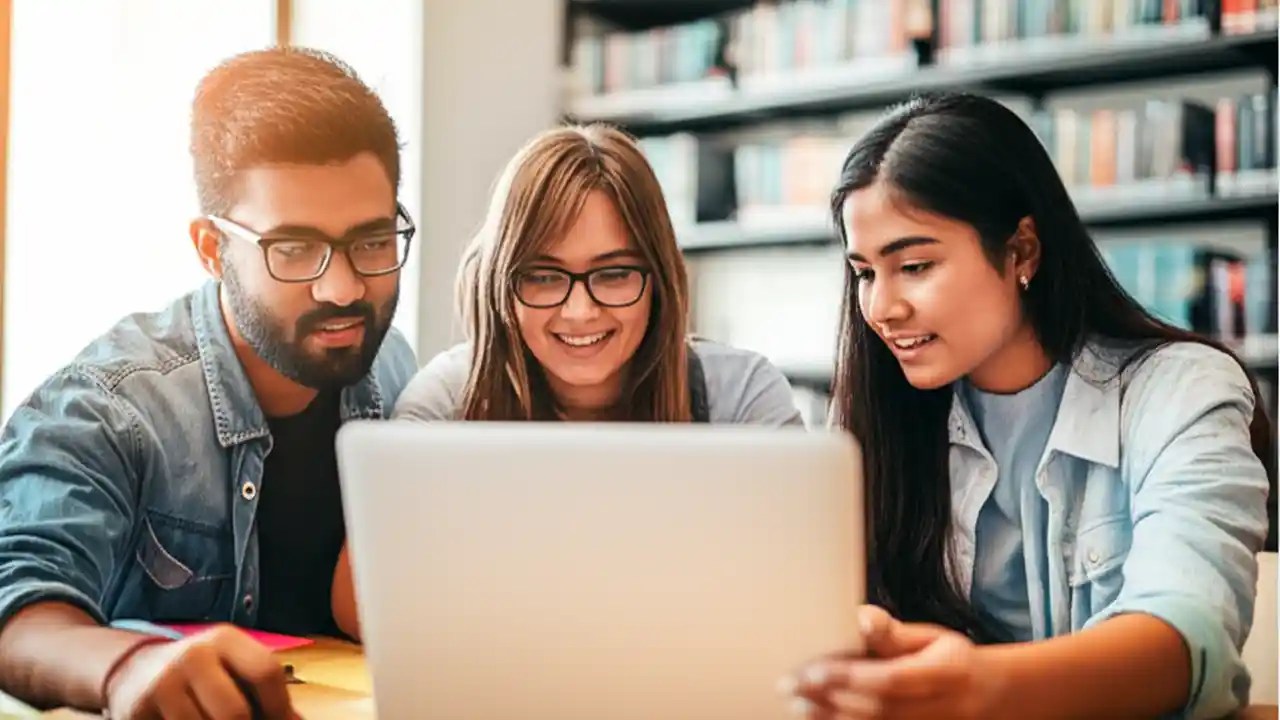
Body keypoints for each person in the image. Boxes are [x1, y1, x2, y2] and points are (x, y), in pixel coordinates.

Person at [782, 93, 1274, 720]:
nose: (880, 309)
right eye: (864, 274)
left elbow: (1186, 641)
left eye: (914, 265)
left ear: (1021, 252)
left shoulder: (1184, 392)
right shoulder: (879, 420)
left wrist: (977, 687)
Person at [0, 47, 417, 719]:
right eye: (293, 250)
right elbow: (16, 603)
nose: (342, 289)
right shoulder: (110, 406)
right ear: (211, 249)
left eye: (371, 243)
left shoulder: (392, 367)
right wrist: (128, 666)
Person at [330, 124, 804, 639]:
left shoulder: (742, 397)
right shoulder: (448, 399)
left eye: (615, 274)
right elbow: (362, 605)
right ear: (502, 285)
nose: (580, 312)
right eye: (544, 276)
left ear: (659, 280)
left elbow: (802, 593)